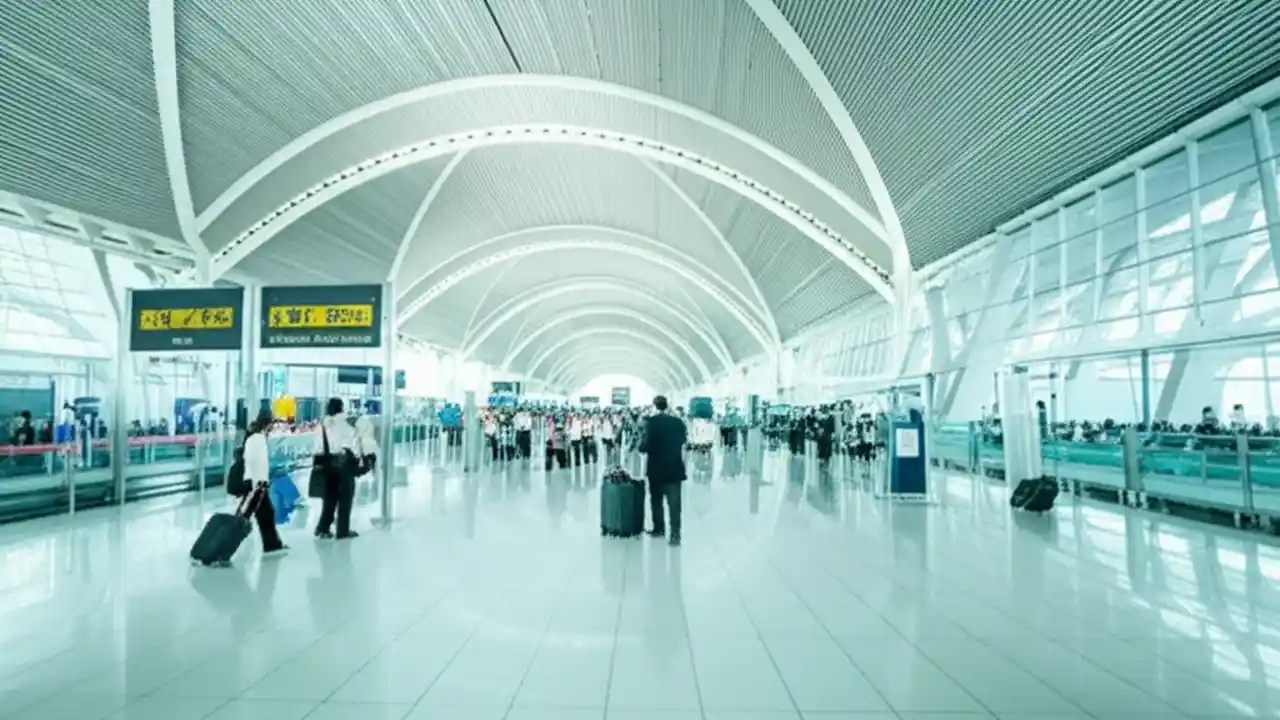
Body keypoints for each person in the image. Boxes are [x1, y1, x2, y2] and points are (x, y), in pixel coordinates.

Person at [639, 395, 687, 546]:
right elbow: (682, 440)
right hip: (674, 468)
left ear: (654, 406)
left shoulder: (651, 423)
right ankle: (675, 534)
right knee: (674, 504)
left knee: (656, 500)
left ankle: (659, 528)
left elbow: (645, 446)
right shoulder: (678, 422)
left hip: (656, 469)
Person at [242, 408, 288, 557]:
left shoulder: (254, 436)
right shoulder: (258, 438)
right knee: (262, 514)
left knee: (263, 514)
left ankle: (273, 544)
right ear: (267, 424)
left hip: (254, 482)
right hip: (256, 484)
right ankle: (271, 545)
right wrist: (262, 481)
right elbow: (257, 462)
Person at [314, 397, 358, 540]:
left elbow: (318, 447)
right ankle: (342, 530)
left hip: (327, 466)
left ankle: (323, 528)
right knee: (345, 499)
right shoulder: (345, 424)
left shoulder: (322, 426)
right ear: (341, 408)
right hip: (342, 466)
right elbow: (352, 445)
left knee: (329, 498)